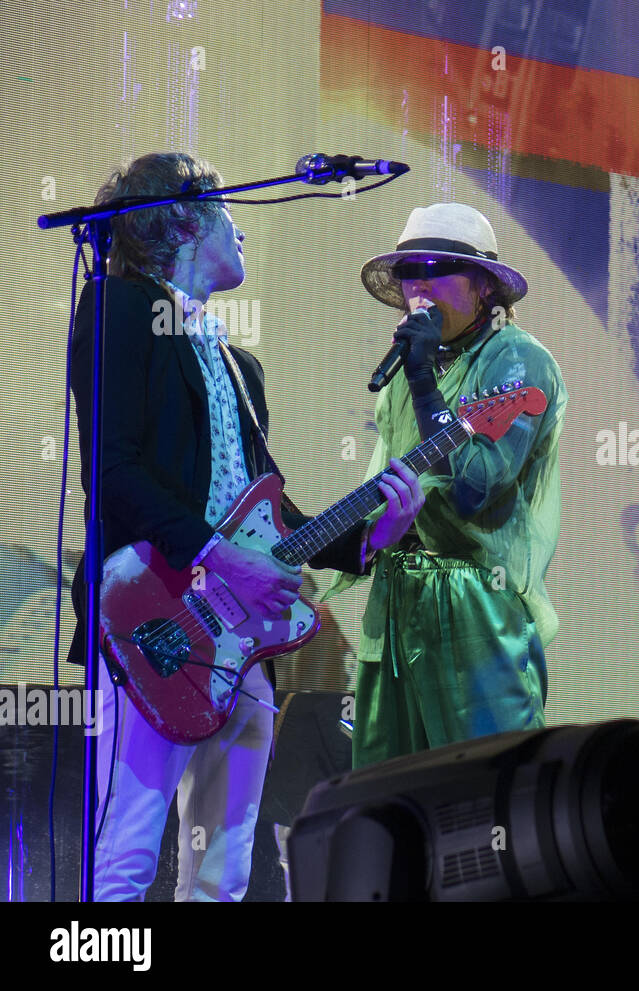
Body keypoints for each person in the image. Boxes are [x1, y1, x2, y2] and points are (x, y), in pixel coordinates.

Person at [69, 152, 425, 900]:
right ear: (182, 216)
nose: (241, 227)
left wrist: (369, 536)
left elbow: (271, 514)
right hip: (153, 625)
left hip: (241, 645)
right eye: (226, 208)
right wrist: (219, 559)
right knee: (127, 856)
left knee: (224, 874)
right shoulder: (119, 305)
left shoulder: (240, 365)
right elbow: (113, 472)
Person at [326, 202, 567, 768]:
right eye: (409, 271)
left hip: (477, 608)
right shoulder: (406, 378)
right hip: (394, 603)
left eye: (436, 267)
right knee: (385, 794)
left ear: (484, 285)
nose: (419, 285)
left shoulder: (518, 359)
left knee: (485, 791)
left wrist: (420, 376)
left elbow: (475, 486)